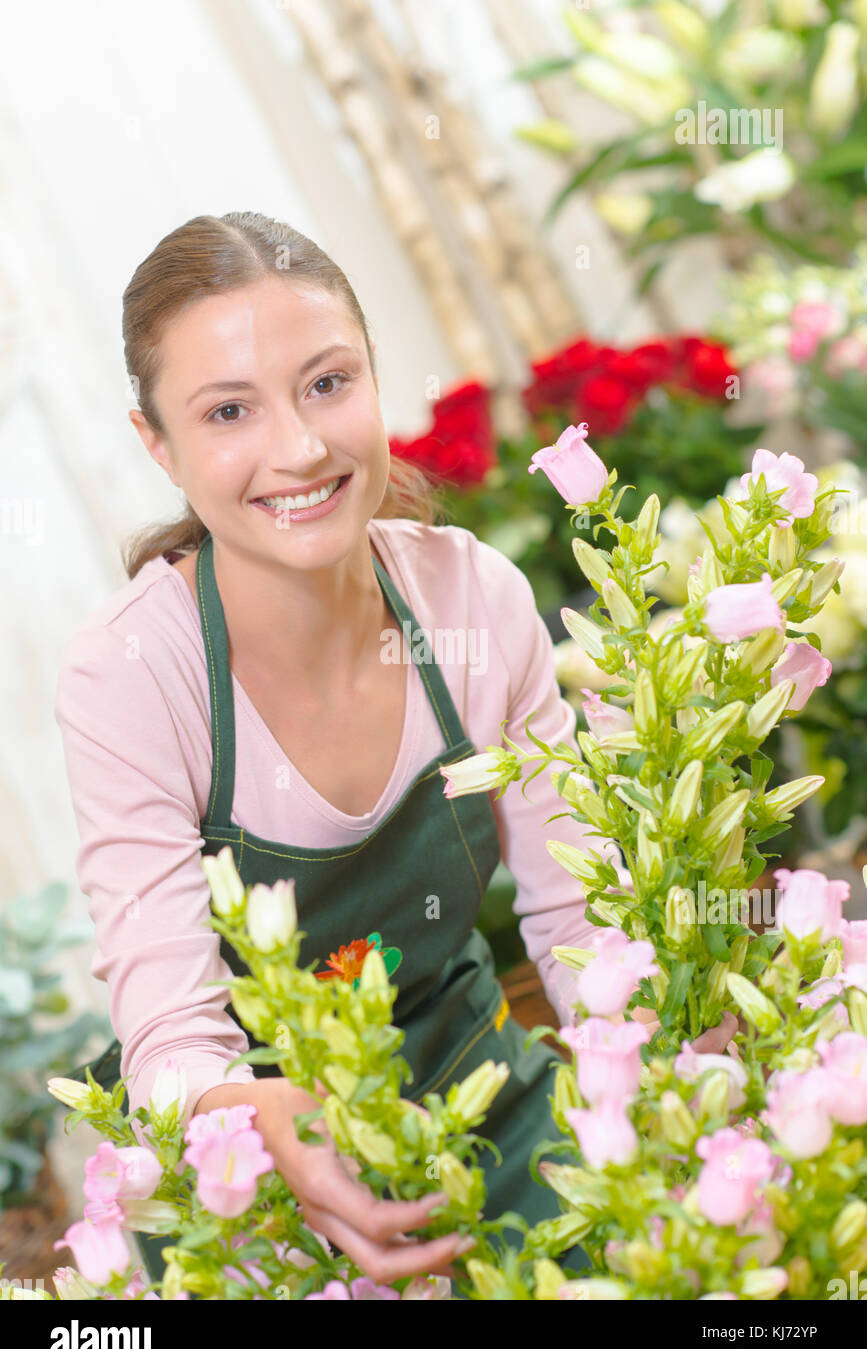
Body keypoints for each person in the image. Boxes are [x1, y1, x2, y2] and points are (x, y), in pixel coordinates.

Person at [55, 211, 734, 1293]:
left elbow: (573, 916)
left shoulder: (471, 598)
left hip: (481, 1098)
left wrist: (651, 1090)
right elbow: (173, 1037)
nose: (300, 446)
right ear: (158, 445)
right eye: (228, 410)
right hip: (265, 1171)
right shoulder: (134, 672)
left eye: (328, 383)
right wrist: (251, 1128)